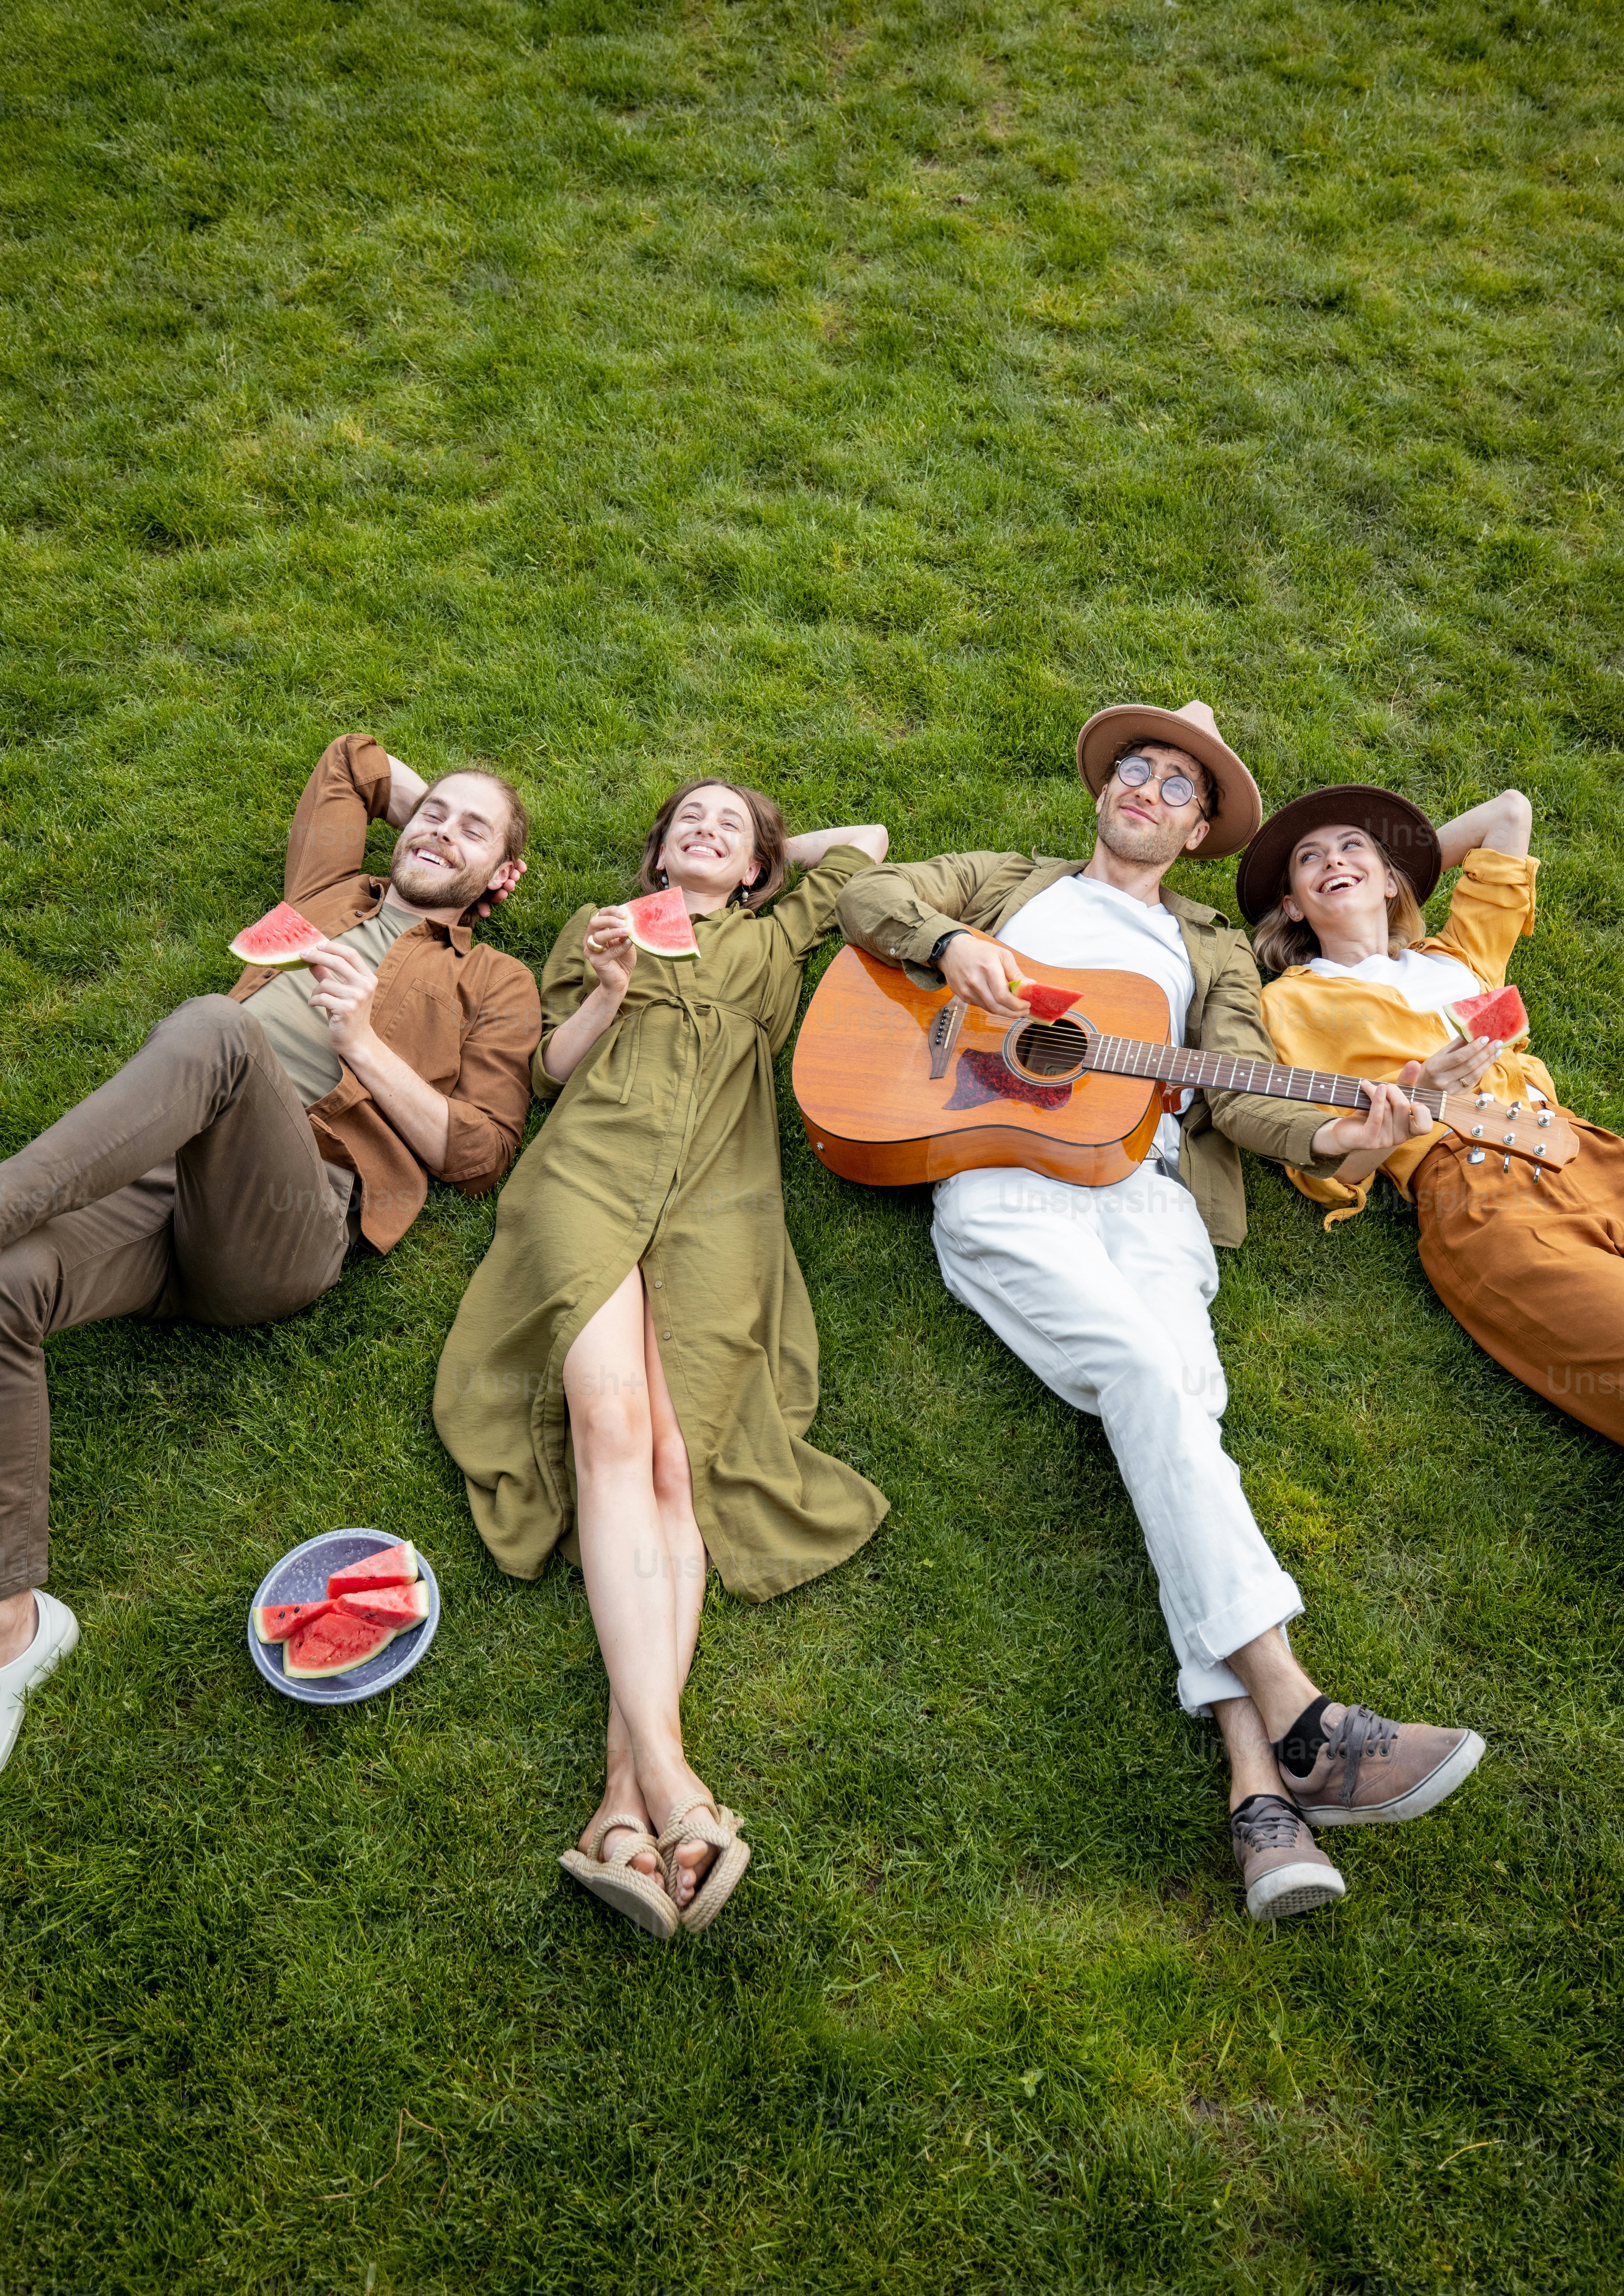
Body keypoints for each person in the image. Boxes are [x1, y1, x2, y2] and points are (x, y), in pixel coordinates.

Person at [836, 703, 1485, 1923]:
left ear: (1197, 833)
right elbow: (864, 894)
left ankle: (1264, 1801)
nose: (1147, 785)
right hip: (1004, 1171)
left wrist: (1350, 1133)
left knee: (1181, 1413)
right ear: (1102, 792)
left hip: (1149, 1199)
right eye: (1133, 766)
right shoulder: (1008, 880)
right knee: (1148, 1375)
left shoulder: (1211, 948)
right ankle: (1299, 1711)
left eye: (1176, 784)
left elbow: (1245, 1096)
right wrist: (947, 943)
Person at [0, 733, 540, 1772]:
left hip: (293, 1215)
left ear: (505, 879)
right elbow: (350, 762)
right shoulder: (334, 891)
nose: (439, 829)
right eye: (434, 815)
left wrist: (363, 1044)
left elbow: (480, 1152)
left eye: (476, 832)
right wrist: (439, 822)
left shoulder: (499, 981)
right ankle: (19, 1626)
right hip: (155, 1180)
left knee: (217, 1028)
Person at [434, 781, 890, 1941]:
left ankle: (621, 1807)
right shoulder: (603, 922)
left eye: (729, 827)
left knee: (686, 1458)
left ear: (755, 870)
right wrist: (616, 986)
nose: (704, 826)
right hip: (589, 1175)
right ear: (652, 855)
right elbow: (553, 1068)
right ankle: (675, 1786)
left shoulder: (779, 931)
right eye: (685, 817)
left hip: (720, 1198)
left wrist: (768, 867)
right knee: (611, 1425)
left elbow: (867, 847)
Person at [1239, 780, 1624, 1440]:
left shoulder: (1458, 957)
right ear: (1291, 906)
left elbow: (1509, 813)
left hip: (1588, 1151)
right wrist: (1417, 1095)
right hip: (1476, 1193)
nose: (1332, 861)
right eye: (1309, 860)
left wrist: (1398, 870)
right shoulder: (1287, 1004)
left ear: (1392, 883)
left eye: (1350, 848)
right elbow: (1331, 1169)